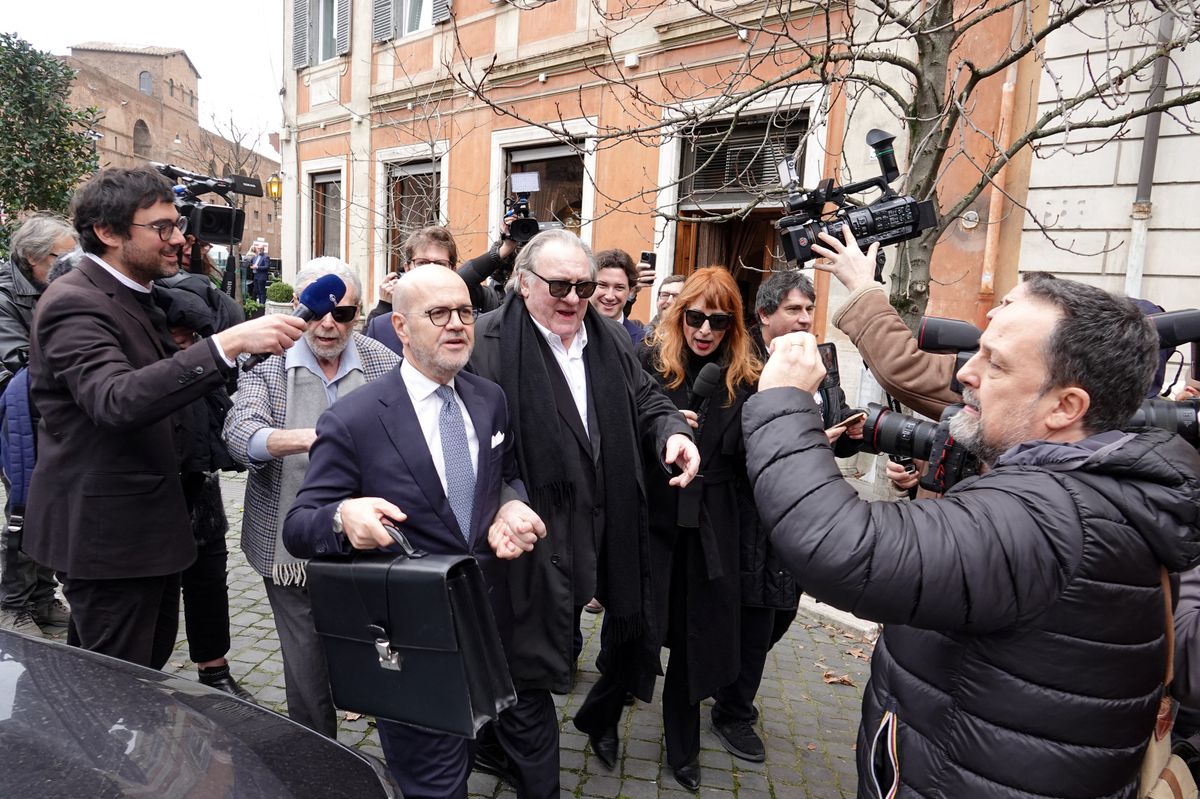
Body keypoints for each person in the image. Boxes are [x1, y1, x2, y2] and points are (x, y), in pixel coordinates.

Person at [744, 269, 1200, 797]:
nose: (966, 374)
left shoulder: (1053, 518)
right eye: (978, 351)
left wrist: (784, 402)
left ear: (1066, 406)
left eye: (996, 363)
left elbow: (843, 547)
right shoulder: (1084, 487)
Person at [284, 264, 554, 799]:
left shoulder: (488, 399)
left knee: (532, 751)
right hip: (412, 640)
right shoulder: (356, 418)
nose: (457, 324)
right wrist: (344, 518)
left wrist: (512, 506)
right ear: (402, 327)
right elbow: (300, 526)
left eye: (464, 312)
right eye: (438, 314)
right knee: (434, 783)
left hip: (495, 621)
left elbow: (508, 475)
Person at [24, 166, 305, 669]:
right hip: (107, 540)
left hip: (148, 534)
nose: (177, 239)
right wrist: (224, 345)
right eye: (161, 228)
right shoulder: (74, 301)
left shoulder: (140, 295)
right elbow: (114, 400)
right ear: (108, 233)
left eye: (177, 224)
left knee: (136, 678)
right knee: (115, 694)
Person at [468, 228, 700, 775]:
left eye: (584, 285)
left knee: (596, 631)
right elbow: (470, 444)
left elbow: (644, 395)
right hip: (527, 536)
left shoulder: (610, 338)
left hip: (603, 527)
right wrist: (503, 498)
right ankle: (514, 747)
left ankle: (547, 726)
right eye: (560, 286)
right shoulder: (484, 344)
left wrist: (670, 431)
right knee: (525, 655)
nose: (574, 298)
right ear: (523, 285)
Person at [591, 266, 759, 791]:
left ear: (733, 326)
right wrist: (662, 430)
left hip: (711, 530)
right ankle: (600, 718)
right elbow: (618, 436)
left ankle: (683, 748)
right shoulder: (649, 365)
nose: (705, 330)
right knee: (634, 632)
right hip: (652, 523)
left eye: (718, 320)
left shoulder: (748, 379)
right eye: (695, 317)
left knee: (696, 640)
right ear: (677, 314)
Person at [222, 257, 399, 735]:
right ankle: (318, 760)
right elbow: (241, 434)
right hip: (288, 548)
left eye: (343, 314)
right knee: (306, 671)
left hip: (370, 548)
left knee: (383, 663)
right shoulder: (267, 363)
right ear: (298, 309)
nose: (328, 323)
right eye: (317, 310)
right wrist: (314, 437)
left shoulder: (386, 364)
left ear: (357, 315)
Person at [151, 236, 252, 699]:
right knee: (157, 587)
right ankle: (141, 676)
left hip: (199, 476)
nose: (187, 343)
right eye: (181, 336)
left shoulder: (205, 298)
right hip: (150, 483)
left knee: (209, 574)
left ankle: (214, 669)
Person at [0, 213, 76, 636]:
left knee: (51, 512)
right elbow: (17, 363)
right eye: (62, 259)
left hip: (51, 418)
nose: (71, 267)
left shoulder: (57, 287)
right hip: (16, 424)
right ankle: (12, 606)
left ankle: (42, 600)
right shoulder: (4, 295)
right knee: (24, 512)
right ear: (32, 258)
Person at [590, 248, 645, 347]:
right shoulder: (571, 334)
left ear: (631, 291)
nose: (610, 296)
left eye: (619, 287)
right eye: (602, 285)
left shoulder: (642, 342)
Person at [644, 273, 685, 339]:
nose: (669, 301)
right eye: (665, 295)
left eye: (676, 296)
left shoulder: (692, 341)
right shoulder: (641, 336)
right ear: (657, 300)